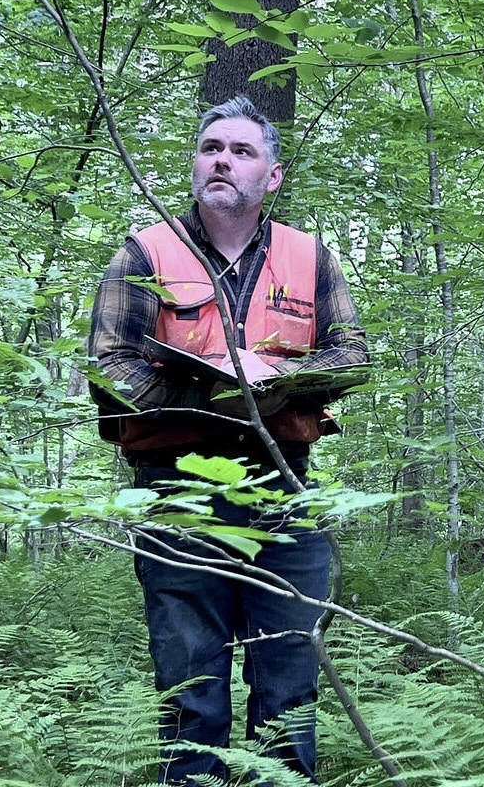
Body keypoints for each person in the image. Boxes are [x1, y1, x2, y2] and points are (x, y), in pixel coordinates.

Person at [87, 95, 369, 784]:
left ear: (271, 176)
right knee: (190, 679)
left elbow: (352, 355)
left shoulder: (310, 257)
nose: (223, 160)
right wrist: (210, 391)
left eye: (242, 151)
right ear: (195, 165)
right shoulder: (146, 251)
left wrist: (276, 377)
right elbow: (108, 365)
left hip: (284, 485)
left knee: (290, 677)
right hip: (176, 487)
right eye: (211, 148)